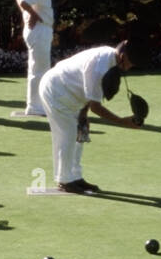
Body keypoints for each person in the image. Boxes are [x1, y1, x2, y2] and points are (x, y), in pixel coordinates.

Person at [40, 40, 143, 193]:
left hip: (75, 96)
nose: (130, 67)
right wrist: (122, 122)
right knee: (67, 135)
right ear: (122, 56)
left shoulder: (111, 57)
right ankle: (64, 180)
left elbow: (89, 92)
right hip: (56, 90)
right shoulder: (99, 68)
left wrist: (83, 115)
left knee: (81, 133)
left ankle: (75, 176)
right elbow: (96, 106)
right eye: (130, 63)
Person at [15, 0, 55, 116]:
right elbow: (23, 0)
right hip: (40, 30)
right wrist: (32, 14)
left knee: (37, 69)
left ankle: (35, 105)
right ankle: (36, 107)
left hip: (38, 30)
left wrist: (29, 14)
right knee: (40, 70)